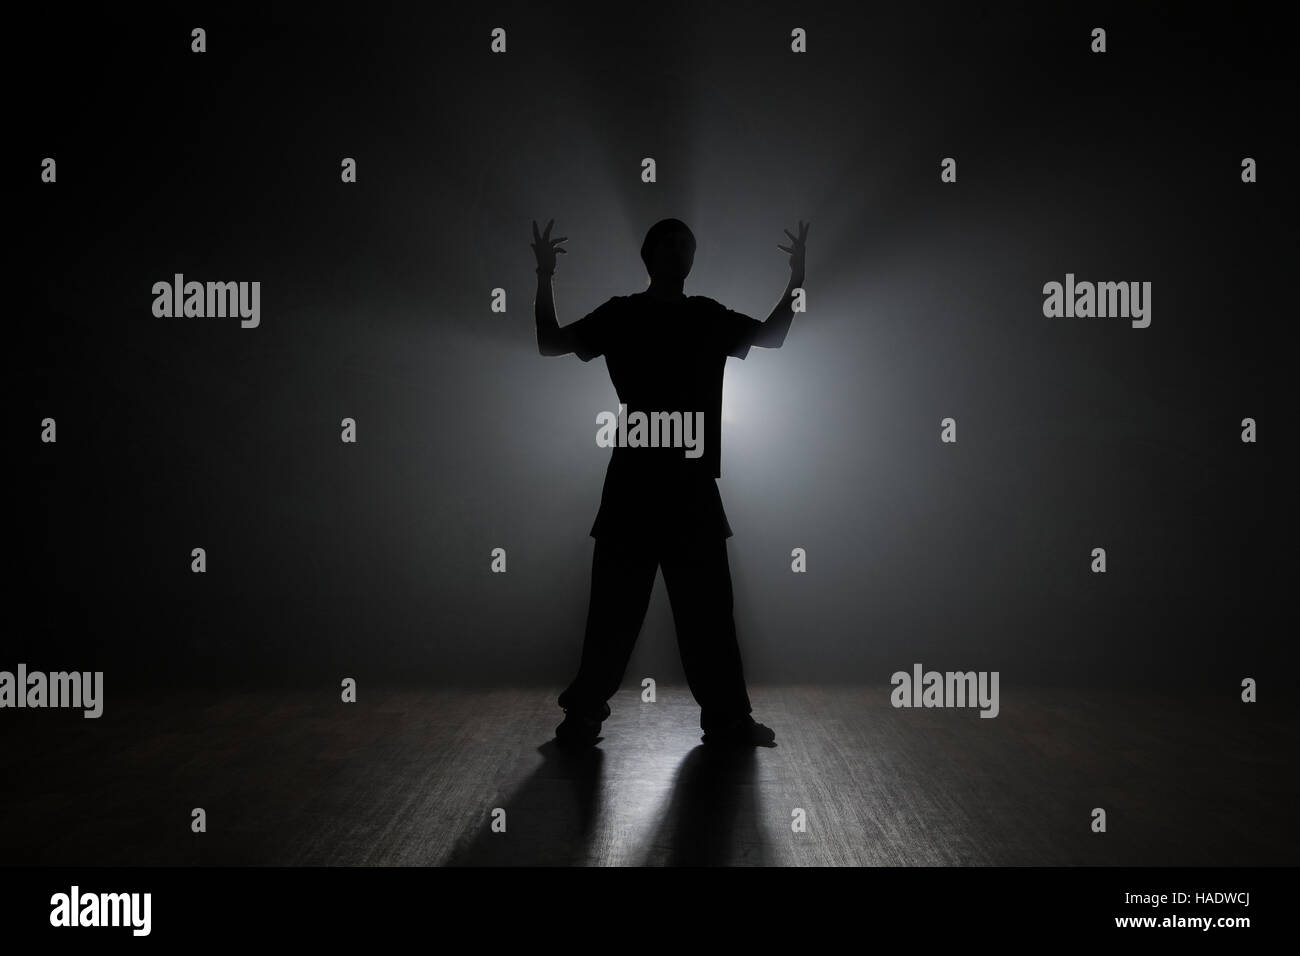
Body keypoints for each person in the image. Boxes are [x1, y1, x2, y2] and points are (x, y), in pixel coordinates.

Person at [532, 216, 808, 747]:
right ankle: (591, 712)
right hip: (642, 484)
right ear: (650, 253)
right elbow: (550, 342)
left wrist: (797, 281)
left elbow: (772, 337)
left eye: (687, 243)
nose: (680, 250)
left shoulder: (704, 315)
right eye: (671, 241)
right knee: (620, 608)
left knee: (704, 611)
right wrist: (544, 277)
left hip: (681, 484)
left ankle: (717, 716)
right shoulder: (626, 314)